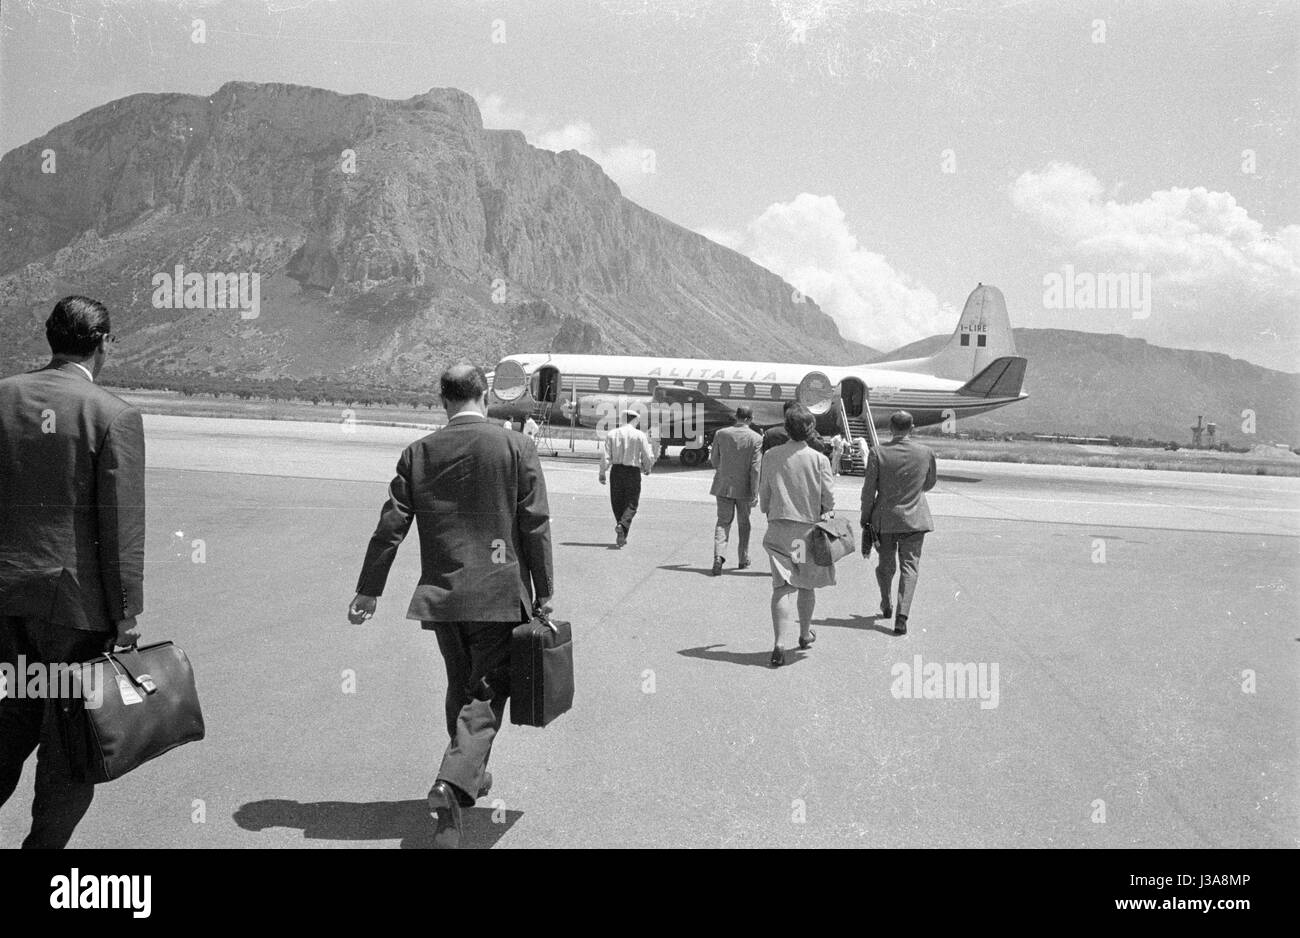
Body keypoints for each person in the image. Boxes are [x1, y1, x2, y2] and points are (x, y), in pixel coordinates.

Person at [349, 364, 554, 849]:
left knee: (460, 686)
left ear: (442, 400)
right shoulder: (516, 447)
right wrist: (544, 588)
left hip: (444, 597)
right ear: (485, 395)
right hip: (500, 594)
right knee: (486, 692)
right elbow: (535, 523)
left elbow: (390, 527)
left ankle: (467, 782)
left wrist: (368, 589)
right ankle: (451, 785)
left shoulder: (419, 453)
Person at [0, 296, 145, 849]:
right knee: (69, 754)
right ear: (104, 341)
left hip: (4, 606)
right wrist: (127, 615)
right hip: (72, 616)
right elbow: (121, 531)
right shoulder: (112, 414)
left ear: (49, 337)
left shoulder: (4, 396)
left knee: (6, 730)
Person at [758, 403, 835, 668]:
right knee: (804, 582)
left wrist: (768, 509)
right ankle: (804, 634)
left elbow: (764, 493)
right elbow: (829, 497)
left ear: (785, 427)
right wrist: (826, 510)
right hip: (804, 534)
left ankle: (779, 643)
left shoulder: (771, 455)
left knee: (781, 587)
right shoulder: (819, 459)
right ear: (811, 429)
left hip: (779, 529)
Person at [861, 410, 937, 636]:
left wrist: (865, 518)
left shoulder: (877, 452)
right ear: (912, 428)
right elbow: (930, 482)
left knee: (886, 566)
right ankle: (902, 616)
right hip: (915, 520)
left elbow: (868, 491)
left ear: (890, 428)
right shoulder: (926, 452)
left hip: (885, 520)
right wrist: (911, 492)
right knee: (910, 567)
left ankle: (886, 602)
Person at [709, 406, 762, 575]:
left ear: (736, 417)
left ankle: (719, 556)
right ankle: (743, 557)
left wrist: (724, 470)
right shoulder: (756, 438)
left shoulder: (721, 433)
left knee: (723, 522)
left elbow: (714, 460)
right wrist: (755, 491)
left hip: (723, 484)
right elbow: (755, 468)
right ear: (750, 418)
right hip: (744, 487)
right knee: (744, 523)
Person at [599, 408, 655, 548]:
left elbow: (605, 455)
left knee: (617, 502)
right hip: (632, 472)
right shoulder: (639, 435)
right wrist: (647, 468)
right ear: (634, 420)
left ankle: (621, 529)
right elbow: (647, 455)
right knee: (631, 503)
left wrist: (602, 472)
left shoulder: (612, 434)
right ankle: (622, 526)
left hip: (616, 471)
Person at [761, 400, 832, 457]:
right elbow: (820, 447)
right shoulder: (808, 431)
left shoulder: (771, 434)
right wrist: (809, 435)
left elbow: (764, 455)